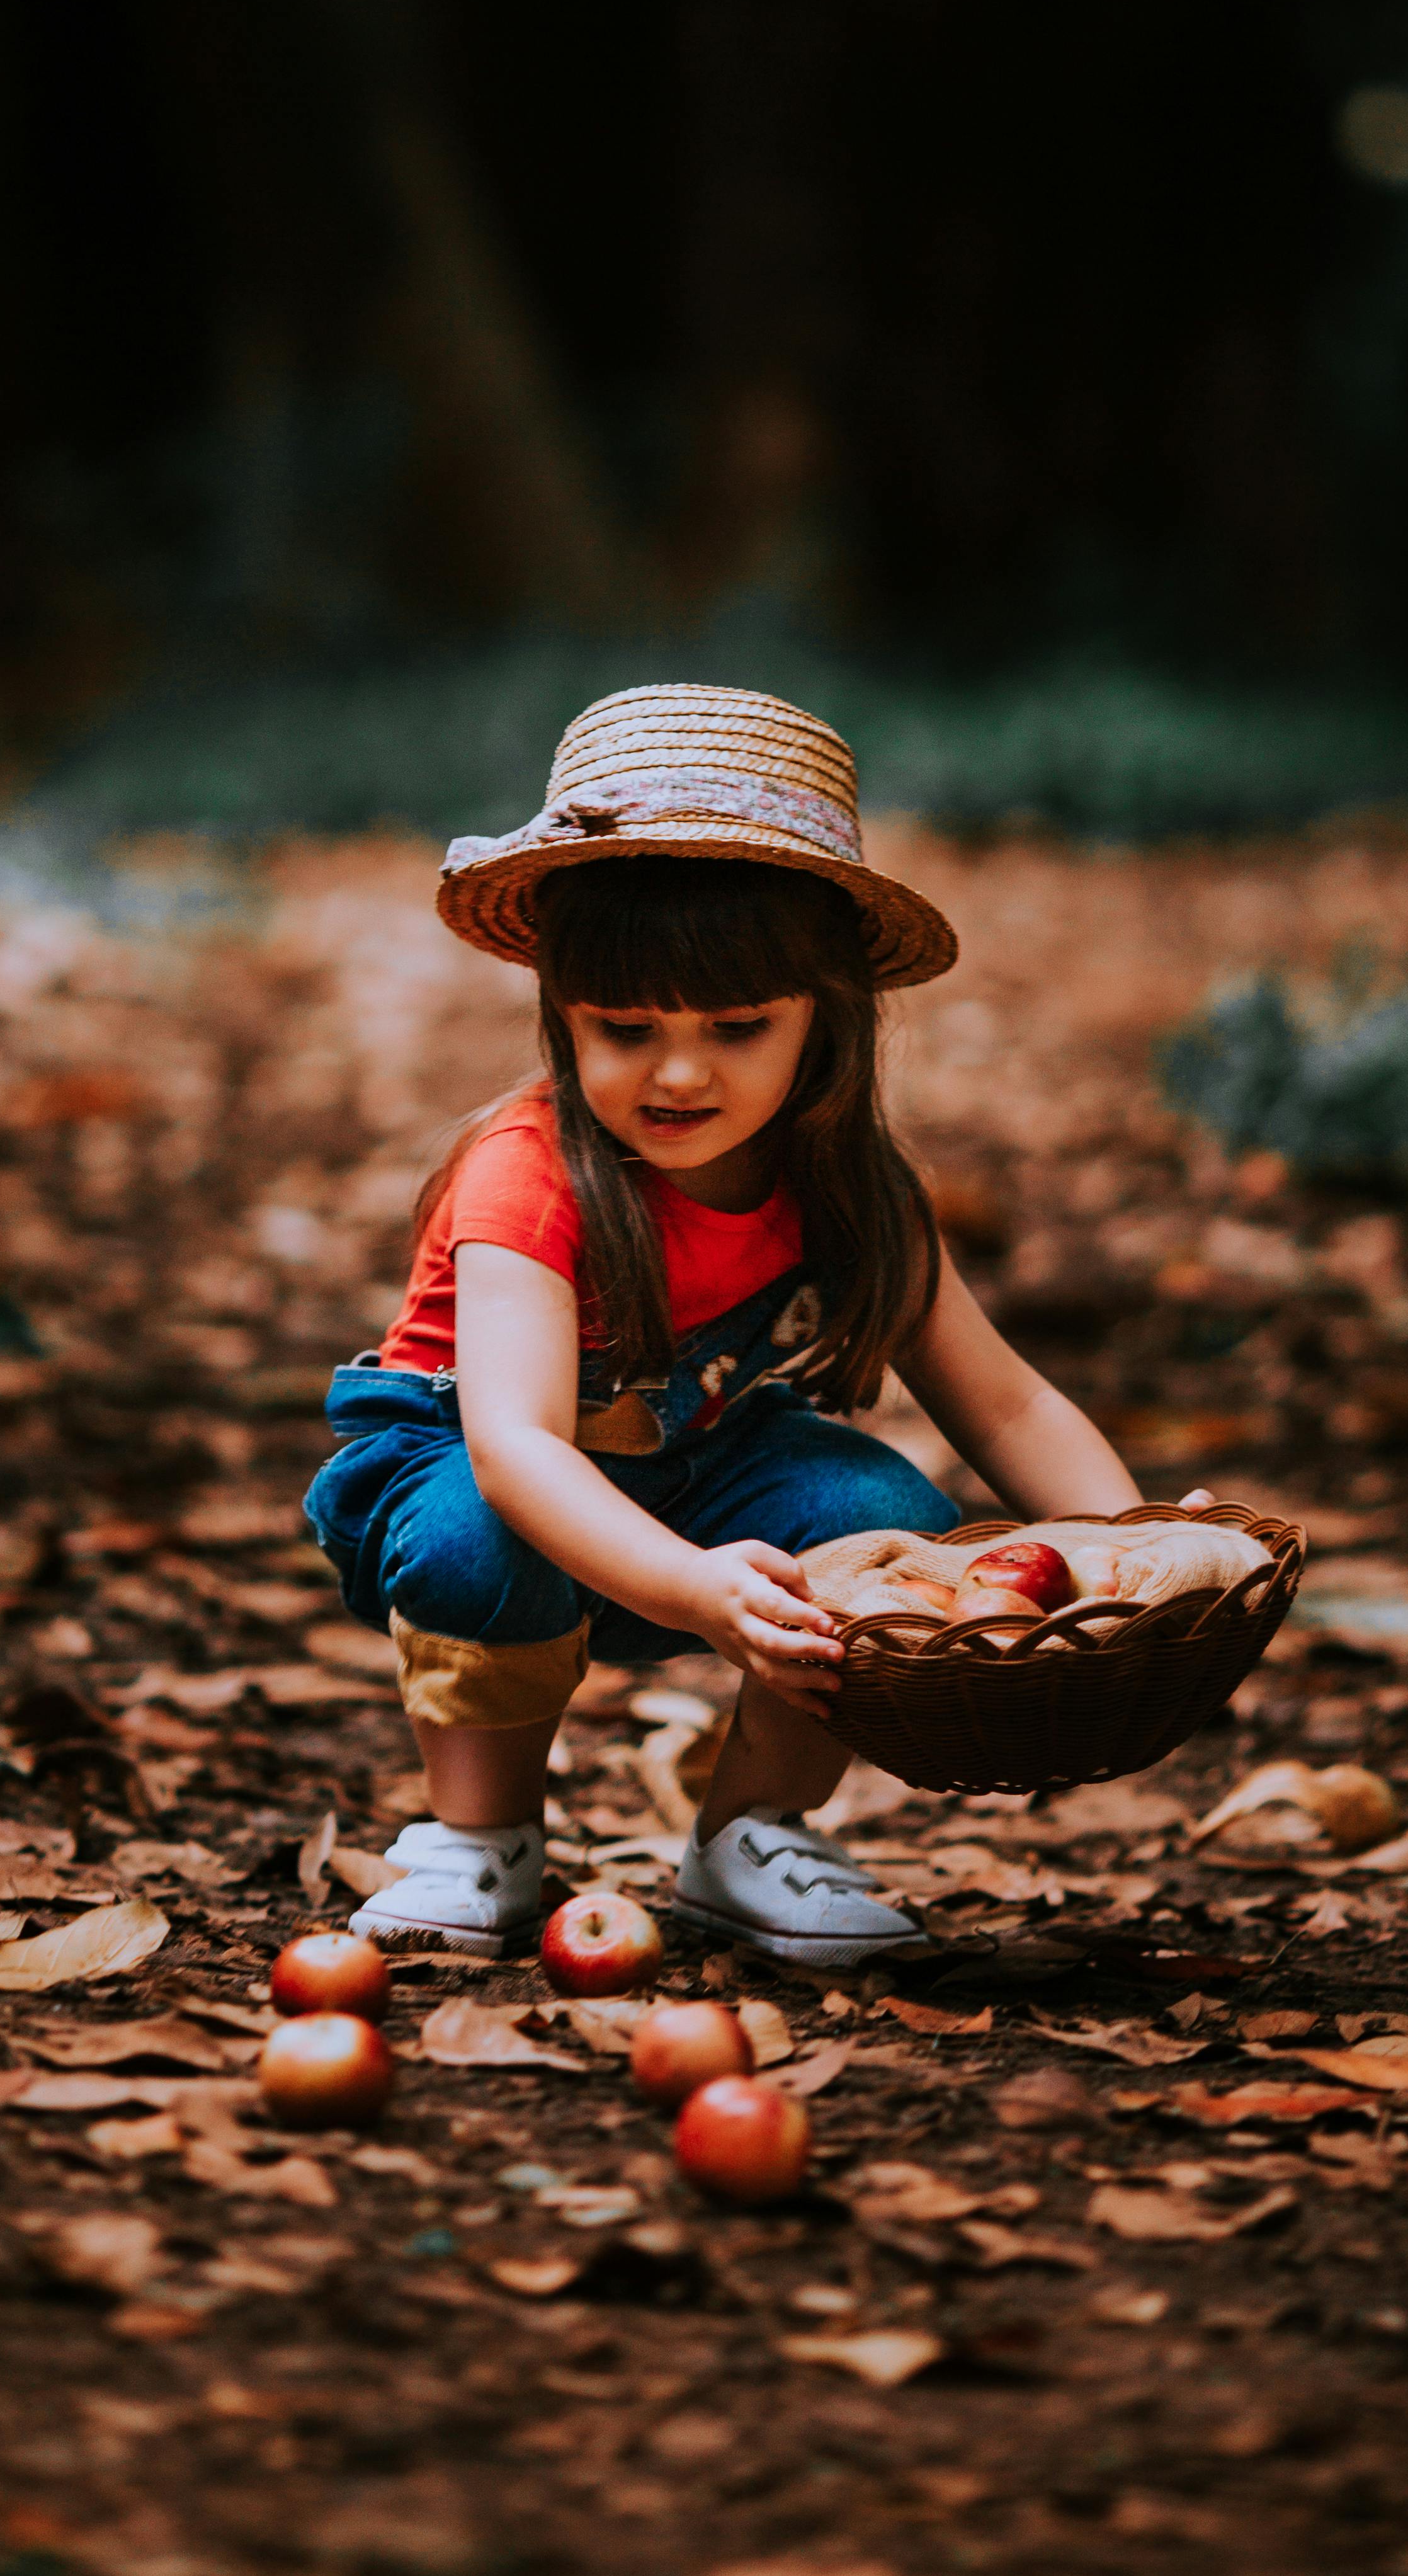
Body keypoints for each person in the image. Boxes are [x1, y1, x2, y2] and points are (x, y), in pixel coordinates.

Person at [304, 682, 1144, 1968]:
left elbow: (1010, 1403)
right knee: (482, 1536)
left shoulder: (851, 1186)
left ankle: (751, 1834)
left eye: (739, 1027)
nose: (681, 1075)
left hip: (704, 1471)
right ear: (561, 1015)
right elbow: (518, 1447)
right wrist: (694, 1588)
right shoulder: (528, 1176)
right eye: (625, 1031)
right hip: (481, 1474)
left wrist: (1138, 1562)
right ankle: (483, 1837)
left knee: (891, 1522)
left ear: (829, 1019)